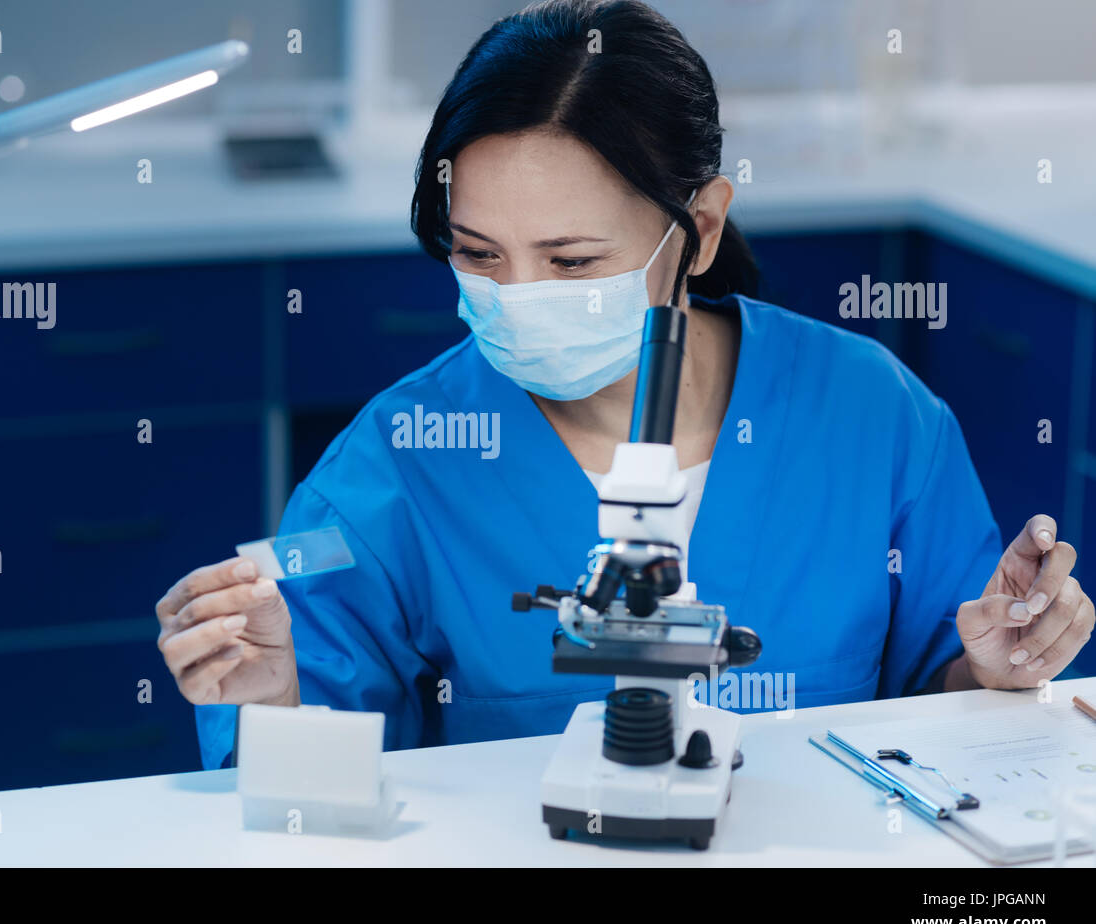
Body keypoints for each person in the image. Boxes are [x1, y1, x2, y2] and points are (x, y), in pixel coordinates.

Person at [155, 0, 1093, 770]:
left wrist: (997, 671)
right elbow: (311, 799)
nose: (517, 299)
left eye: (571, 262)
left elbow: (953, 718)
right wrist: (268, 699)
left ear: (703, 228)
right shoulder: (396, 469)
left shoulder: (872, 418)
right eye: (479, 254)